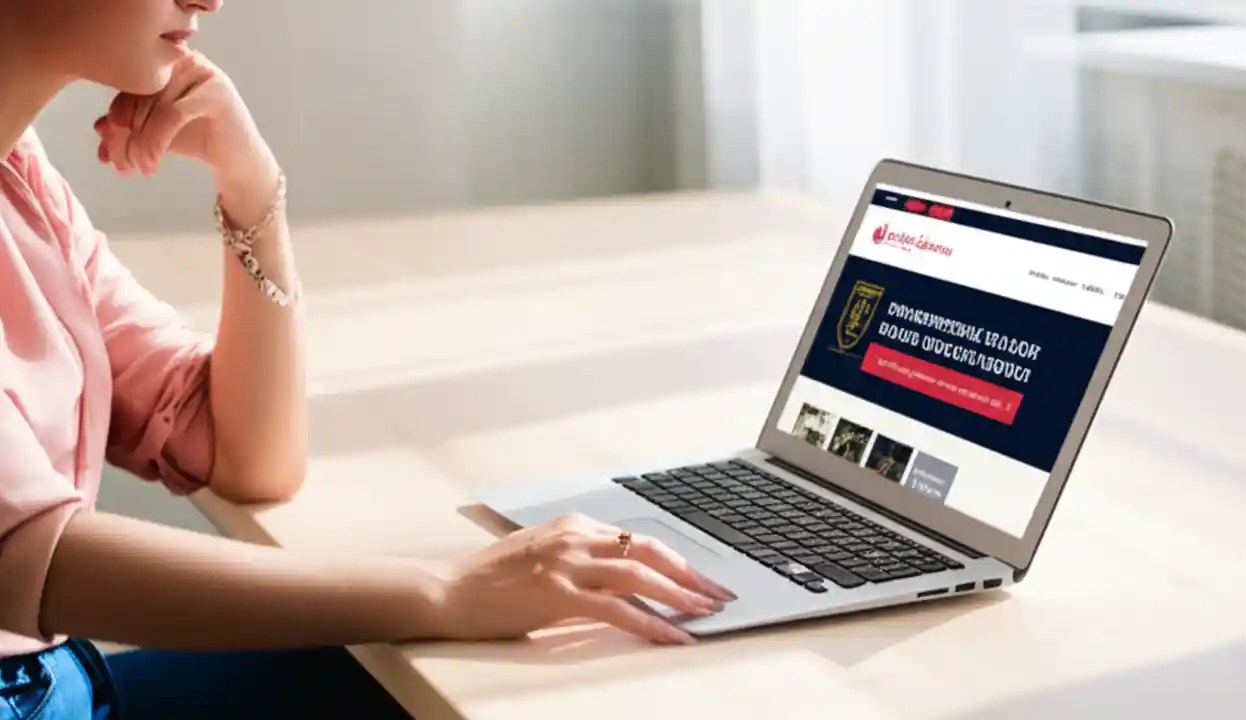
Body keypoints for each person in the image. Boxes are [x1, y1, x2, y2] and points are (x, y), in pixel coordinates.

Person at [0, 2, 734, 717]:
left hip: (55, 680)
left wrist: (253, 188)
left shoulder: (20, 175)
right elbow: (38, 562)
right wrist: (445, 590)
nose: (208, 1)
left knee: (404, 674)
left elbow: (242, 449)